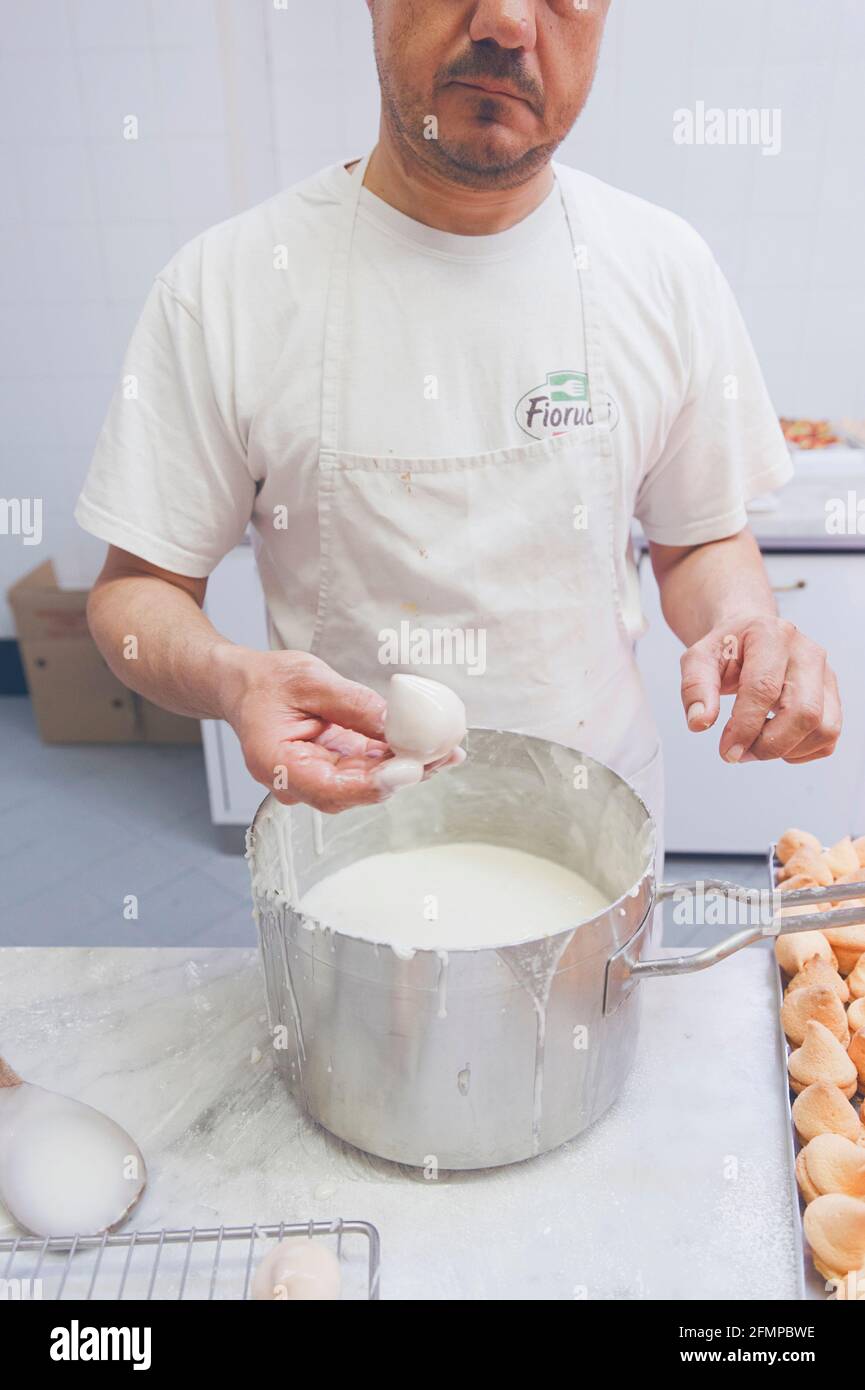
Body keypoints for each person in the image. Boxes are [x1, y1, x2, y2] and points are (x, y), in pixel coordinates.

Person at [77, 0, 840, 838]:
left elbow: (696, 539)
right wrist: (231, 680)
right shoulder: (225, 288)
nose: (508, 21)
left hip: (593, 830)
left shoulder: (663, 269)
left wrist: (743, 628)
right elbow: (138, 590)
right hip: (350, 838)